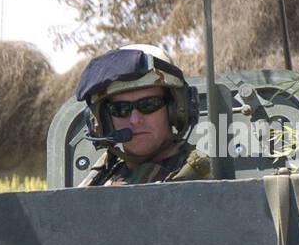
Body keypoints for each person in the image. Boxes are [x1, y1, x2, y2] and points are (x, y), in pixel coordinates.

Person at [74, 44, 210, 186]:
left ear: (174, 109)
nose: (135, 120)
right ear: (106, 120)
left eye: (148, 104)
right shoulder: (107, 170)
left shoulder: (194, 177)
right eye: (121, 108)